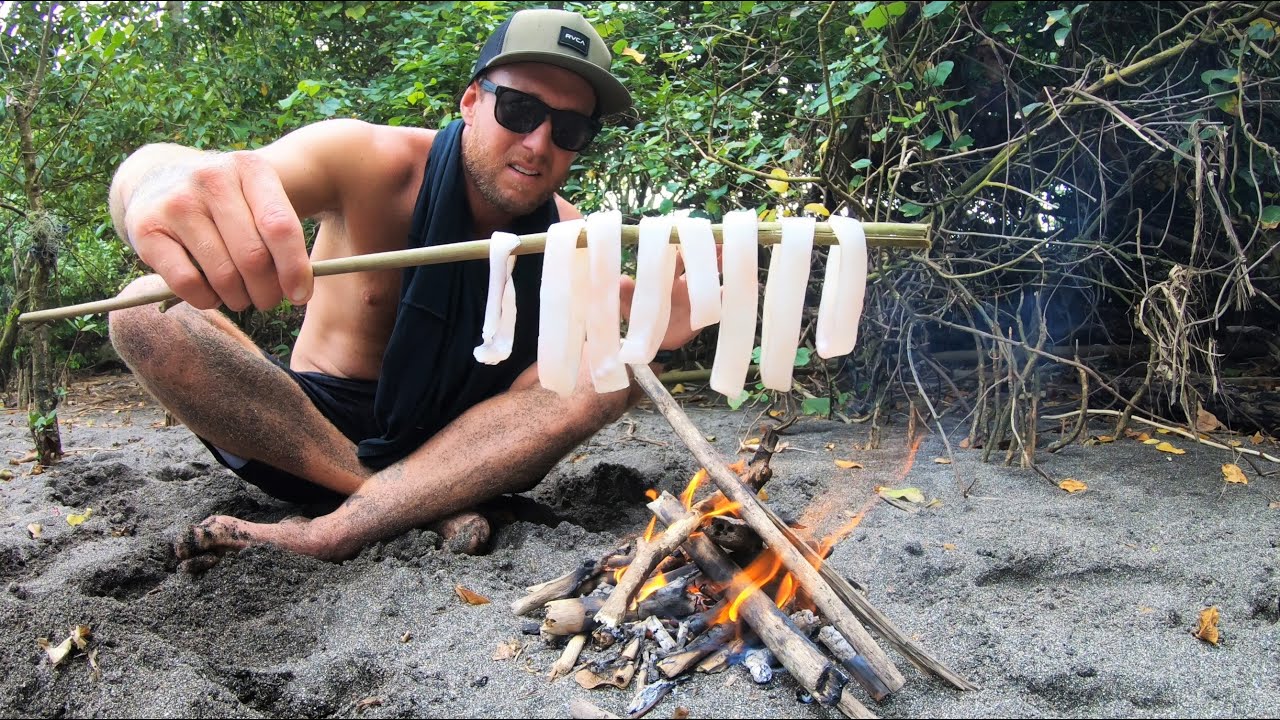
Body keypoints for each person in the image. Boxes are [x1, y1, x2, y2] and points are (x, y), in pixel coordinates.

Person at [106, 8, 698, 570]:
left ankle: (338, 528)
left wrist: (656, 333)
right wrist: (156, 182)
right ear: (471, 102)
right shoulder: (368, 161)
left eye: (569, 129)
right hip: (311, 435)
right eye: (519, 109)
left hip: (465, 452)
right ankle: (396, 502)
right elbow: (195, 171)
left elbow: (564, 377)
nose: (539, 143)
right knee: (141, 311)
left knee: (614, 369)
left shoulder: (569, 235)